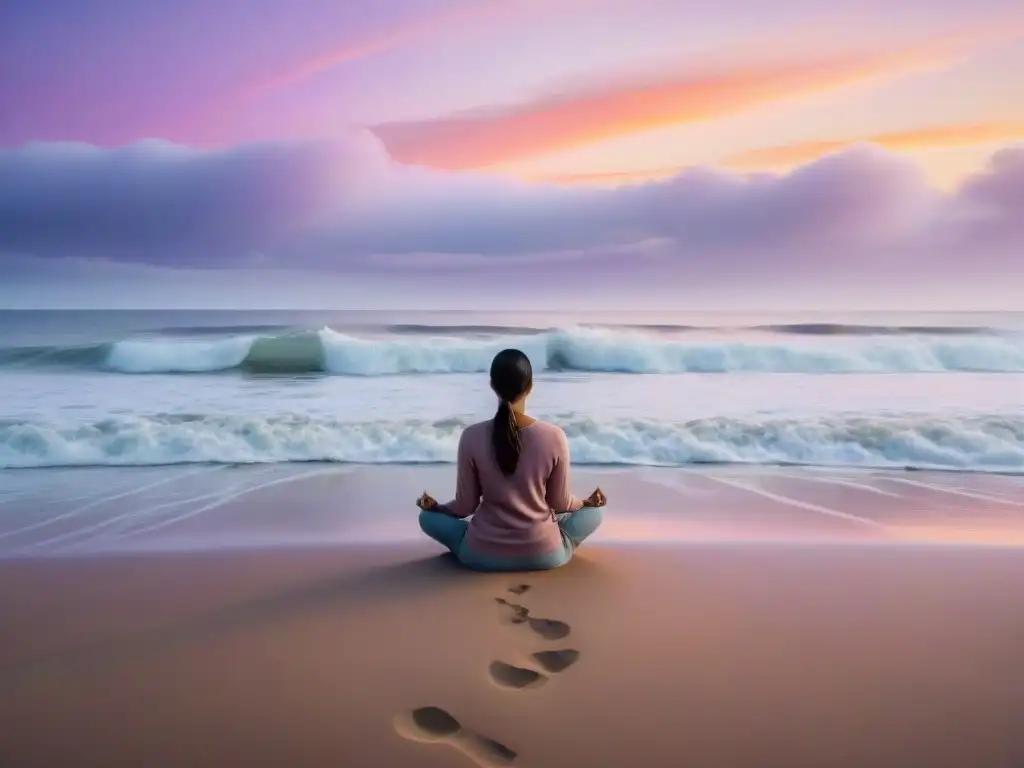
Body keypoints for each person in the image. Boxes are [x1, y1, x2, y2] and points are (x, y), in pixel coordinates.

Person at [416, 348, 606, 571]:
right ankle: (556, 541)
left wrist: (437, 508)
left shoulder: (471, 436)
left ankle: (475, 543)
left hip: (480, 554)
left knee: (426, 518)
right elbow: (560, 504)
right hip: (545, 554)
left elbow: (464, 507)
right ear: (530, 387)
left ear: (492, 386)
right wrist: (586, 503)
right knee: (596, 512)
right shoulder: (554, 436)